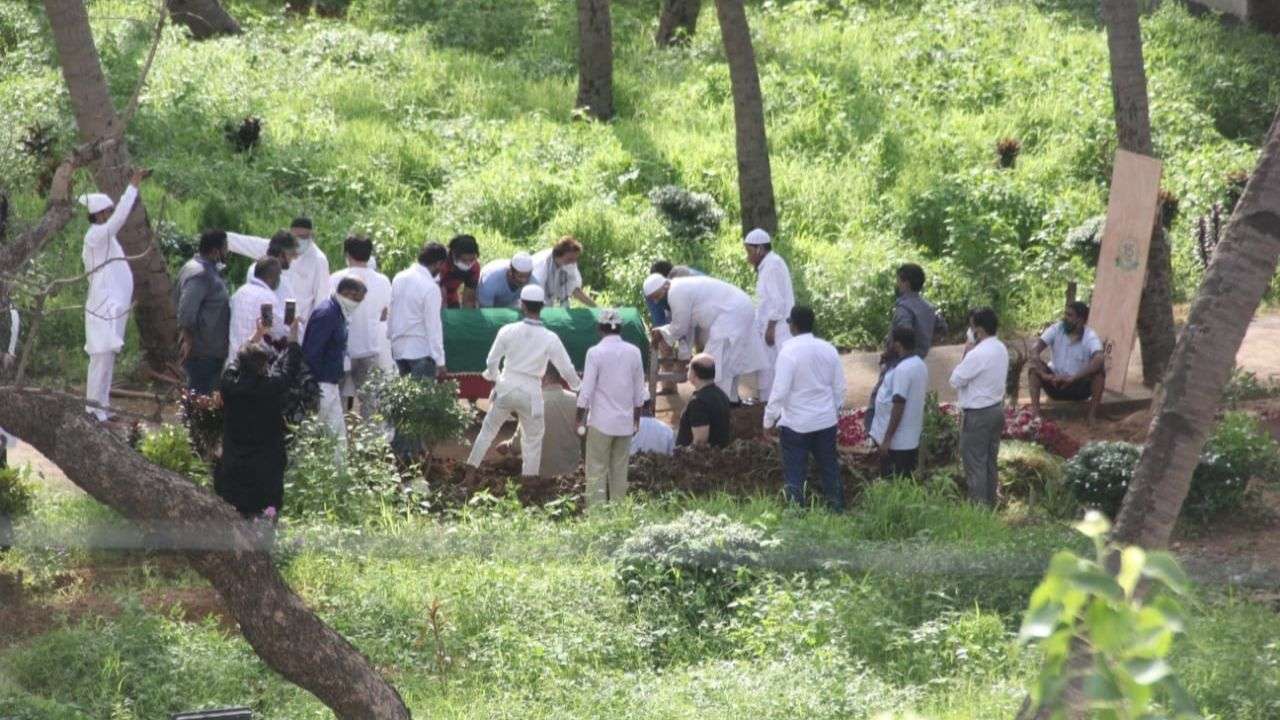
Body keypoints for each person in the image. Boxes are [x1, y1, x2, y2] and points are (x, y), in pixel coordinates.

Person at [465, 285, 581, 479]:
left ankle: (469, 476)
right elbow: (566, 369)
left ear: (521, 305)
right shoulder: (550, 338)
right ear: (542, 306)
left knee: (487, 432)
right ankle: (529, 485)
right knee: (533, 440)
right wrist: (580, 388)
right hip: (531, 392)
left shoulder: (507, 330)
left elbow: (491, 362)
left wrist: (497, 380)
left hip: (507, 386)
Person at [214, 316, 304, 518]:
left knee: (235, 511)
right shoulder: (273, 386)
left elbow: (235, 361)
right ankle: (265, 537)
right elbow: (291, 366)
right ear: (264, 366)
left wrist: (256, 335)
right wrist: (293, 336)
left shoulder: (228, 384)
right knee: (268, 510)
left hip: (234, 464)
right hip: (267, 466)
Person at [79, 167, 147, 421]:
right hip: (103, 305)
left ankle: (101, 409)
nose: (109, 215)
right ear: (100, 215)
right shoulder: (97, 235)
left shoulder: (103, 237)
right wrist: (133, 186)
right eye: (106, 212)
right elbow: (120, 219)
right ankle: (92, 410)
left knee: (107, 360)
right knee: (101, 360)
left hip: (112, 305)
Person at [763, 306, 845, 511]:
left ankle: (796, 514)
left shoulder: (788, 352)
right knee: (829, 468)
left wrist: (768, 420)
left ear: (793, 325)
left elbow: (780, 391)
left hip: (796, 424)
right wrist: (832, 412)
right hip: (825, 422)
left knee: (795, 472)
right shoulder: (828, 349)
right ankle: (836, 509)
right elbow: (839, 388)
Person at [644, 273, 766, 403]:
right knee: (729, 360)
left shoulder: (675, 292)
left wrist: (661, 332)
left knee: (714, 361)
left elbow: (680, 327)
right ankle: (731, 400)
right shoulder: (677, 289)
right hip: (737, 310)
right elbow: (688, 326)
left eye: (657, 297)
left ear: (664, 287)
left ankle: (718, 402)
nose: (656, 301)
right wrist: (683, 355)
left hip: (732, 313)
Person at [576, 309, 648, 506]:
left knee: (596, 469)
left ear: (600, 328)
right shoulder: (634, 352)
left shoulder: (595, 353)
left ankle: (597, 516)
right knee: (620, 470)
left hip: (600, 422)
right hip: (625, 423)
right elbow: (639, 390)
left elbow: (587, 389)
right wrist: (636, 421)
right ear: (620, 328)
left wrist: (579, 416)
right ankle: (618, 512)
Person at [950, 307, 1009, 506]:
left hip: (978, 415)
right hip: (996, 410)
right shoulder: (1000, 348)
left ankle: (979, 511)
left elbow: (956, 379)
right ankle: (991, 505)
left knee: (975, 465)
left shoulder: (978, 353)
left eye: (972, 326)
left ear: (979, 330)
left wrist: (968, 349)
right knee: (990, 463)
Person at [330, 234, 392, 417]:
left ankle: (338, 441)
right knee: (370, 405)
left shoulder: (335, 279)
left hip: (342, 349)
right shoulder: (383, 281)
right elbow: (384, 314)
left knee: (339, 404)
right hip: (369, 347)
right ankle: (371, 442)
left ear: (347, 253)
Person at [228, 217, 330, 325]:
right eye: (296, 237)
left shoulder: (319, 260)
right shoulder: (258, 270)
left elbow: (321, 300)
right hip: (268, 324)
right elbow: (245, 243)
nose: (299, 241)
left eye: (303, 237)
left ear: (312, 236)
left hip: (298, 325)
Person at [302, 277, 366, 448]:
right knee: (307, 438)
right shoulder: (327, 313)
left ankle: (339, 474)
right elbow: (311, 352)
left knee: (338, 440)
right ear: (347, 294)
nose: (357, 304)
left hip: (330, 383)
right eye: (358, 300)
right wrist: (312, 387)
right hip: (320, 385)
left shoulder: (338, 312)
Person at [1029, 301, 1106, 423]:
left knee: (1100, 373)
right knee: (1033, 371)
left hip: (1077, 385)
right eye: (1065, 314)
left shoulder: (1090, 336)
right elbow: (1034, 350)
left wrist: (1074, 378)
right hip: (1054, 383)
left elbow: (1099, 359)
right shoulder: (1056, 328)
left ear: (1080, 320)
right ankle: (1036, 414)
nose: (1065, 318)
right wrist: (1045, 375)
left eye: (1069, 315)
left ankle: (1091, 416)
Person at [500, 364, 582, 478]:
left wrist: (507, 445)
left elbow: (518, 445)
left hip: (540, 477)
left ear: (543, 377)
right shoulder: (576, 401)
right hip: (571, 475)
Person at [176, 229, 231, 395]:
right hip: (203, 352)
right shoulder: (201, 274)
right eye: (225, 248)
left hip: (208, 349)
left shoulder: (201, 268)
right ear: (215, 251)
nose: (227, 252)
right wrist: (188, 340)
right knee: (199, 403)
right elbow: (186, 311)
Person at [869, 327, 928, 478]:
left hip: (897, 443)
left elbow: (899, 405)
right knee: (904, 482)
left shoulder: (903, 370)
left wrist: (887, 440)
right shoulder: (919, 364)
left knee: (894, 483)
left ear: (897, 344)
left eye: (890, 342)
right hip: (909, 438)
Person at [745, 228, 795, 400]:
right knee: (768, 368)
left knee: (778, 369)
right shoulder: (768, 265)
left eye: (749, 252)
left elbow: (778, 302)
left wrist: (770, 328)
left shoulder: (772, 265)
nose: (748, 257)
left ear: (759, 249)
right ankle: (767, 405)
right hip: (771, 326)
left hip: (778, 327)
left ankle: (774, 407)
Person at [388, 242, 448, 380]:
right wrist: (440, 361)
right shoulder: (431, 288)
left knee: (402, 399)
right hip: (421, 351)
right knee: (422, 401)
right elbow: (434, 327)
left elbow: (392, 311)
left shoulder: (399, 277)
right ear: (439, 263)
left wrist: (390, 338)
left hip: (398, 349)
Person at [646, 260, 702, 394]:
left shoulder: (687, 281)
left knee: (702, 347)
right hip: (676, 311)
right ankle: (668, 385)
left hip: (700, 311)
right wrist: (662, 335)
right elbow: (659, 319)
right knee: (663, 340)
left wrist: (684, 353)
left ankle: (704, 386)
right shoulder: (652, 290)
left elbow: (687, 323)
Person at [228, 257, 287, 360]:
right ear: (272, 277)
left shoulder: (240, 292)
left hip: (233, 359)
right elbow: (280, 331)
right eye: (278, 276)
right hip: (253, 362)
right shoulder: (267, 298)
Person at [887, 263, 947, 360]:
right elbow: (943, 328)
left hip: (900, 361)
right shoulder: (929, 307)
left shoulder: (904, 309)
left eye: (899, 281)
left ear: (906, 283)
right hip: (920, 359)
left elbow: (904, 336)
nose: (897, 284)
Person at [676, 354, 733, 448]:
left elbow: (700, 441)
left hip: (700, 460)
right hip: (719, 455)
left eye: (689, 368)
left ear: (694, 374)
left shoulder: (698, 403)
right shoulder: (722, 395)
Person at [532, 236, 596, 309]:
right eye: (570, 259)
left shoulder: (569, 263)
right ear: (558, 255)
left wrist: (597, 308)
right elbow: (535, 295)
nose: (573, 262)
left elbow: (575, 290)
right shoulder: (541, 266)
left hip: (547, 304)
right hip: (527, 302)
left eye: (575, 259)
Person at [441, 234, 481, 309]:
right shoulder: (441, 263)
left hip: (452, 298)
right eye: (464, 260)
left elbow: (468, 299)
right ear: (453, 254)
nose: (468, 264)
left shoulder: (474, 268)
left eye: (471, 260)